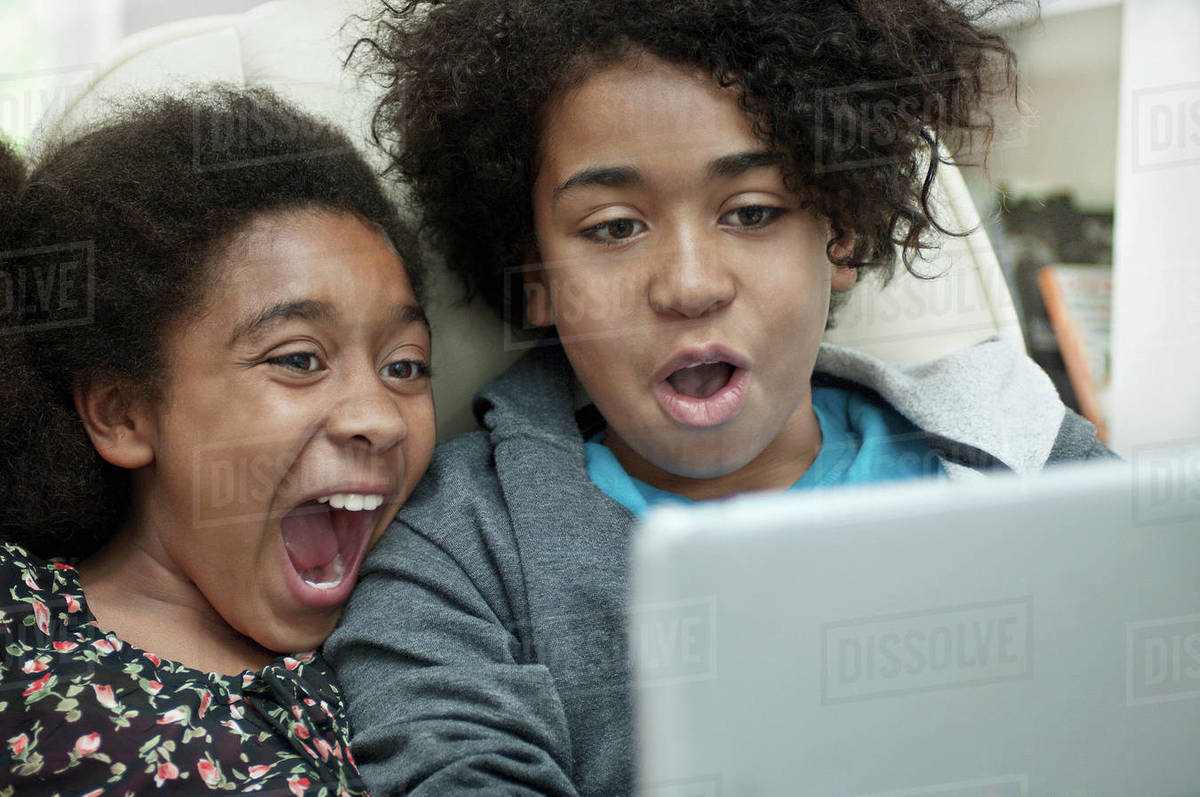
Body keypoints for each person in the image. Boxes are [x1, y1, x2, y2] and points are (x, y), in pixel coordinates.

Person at [324, 1, 1114, 794]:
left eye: (752, 212)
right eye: (612, 227)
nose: (691, 285)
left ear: (839, 233)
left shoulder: (1023, 447)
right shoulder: (459, 553)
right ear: (534, 279)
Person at [0, 88, 435, 794]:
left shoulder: (416, 659)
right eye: (298, 358)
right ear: (125, 412)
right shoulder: (18, 619)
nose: (382, 417)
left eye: (405, 366)